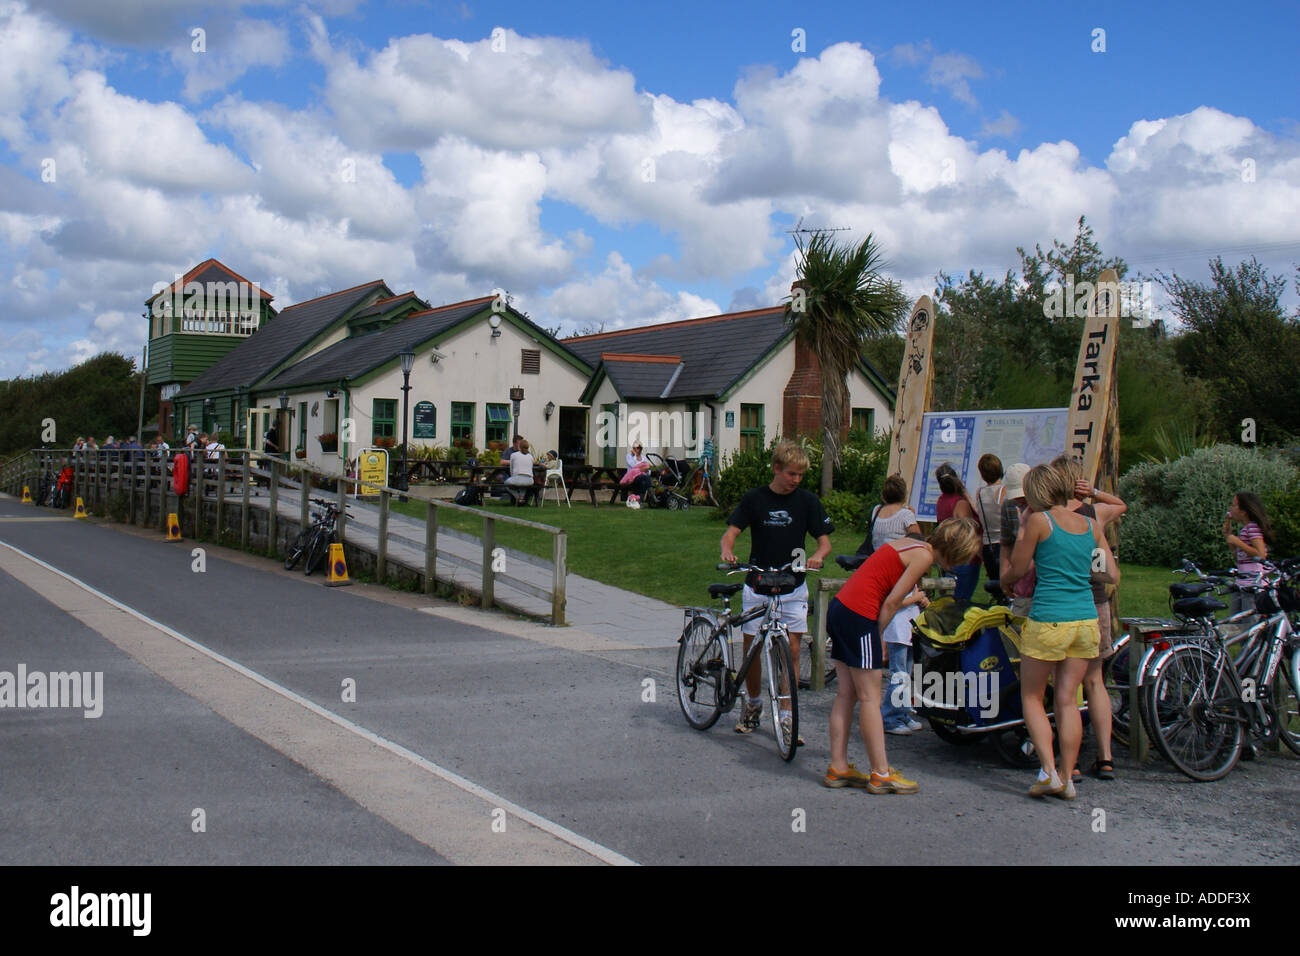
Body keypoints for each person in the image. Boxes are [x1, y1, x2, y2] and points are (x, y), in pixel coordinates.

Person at [824, 517, 981, 793]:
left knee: (846, 694)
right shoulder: (923, 556)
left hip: (841, 609)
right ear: (953, 550)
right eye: (960, 558)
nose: (957, 566)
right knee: (870, 697)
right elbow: (893, 601)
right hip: (860, 615)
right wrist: (880, 636)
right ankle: (880, 772)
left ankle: (838, 766)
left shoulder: (910, 543)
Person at [1002, 465, 1118, 800]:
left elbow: (1019, 568)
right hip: (1085, 620)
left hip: (1049, 617)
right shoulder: (1092, 525)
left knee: (1032, 697)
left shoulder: (1039, 521)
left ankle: (1049, 770)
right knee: (1068, 700)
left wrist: (1008, 581)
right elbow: (1111, 574)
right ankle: (1068, 777)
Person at [720, 440, 833, 743]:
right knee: (752, 648)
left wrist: (819, 555)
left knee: (792, 650)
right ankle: (753, 703)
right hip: (758, 584)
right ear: (777, 468)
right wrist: (728, 552)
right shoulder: (755, 499)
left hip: (792, 585)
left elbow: (824, 541)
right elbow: (730, 534)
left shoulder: (807, 502)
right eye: (791, 474)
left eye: (800, 476)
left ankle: (787, 714)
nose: (796, 481)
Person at [1051, 455, 1128, 781]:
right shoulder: (1094, 514)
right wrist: (1093, 492)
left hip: (1061, 605)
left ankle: (1070, 760)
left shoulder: (1047, 517)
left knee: (1064, 687)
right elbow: (1121, 505)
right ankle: (1106, 756)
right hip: (1096, 603)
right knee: (1095, 681)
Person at [858, 475, 924, 735]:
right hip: (900, 574)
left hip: (880, 572)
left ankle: (902, 711)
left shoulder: (877, 512)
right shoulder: (906, 516)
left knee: (904, 662)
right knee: (901, 663)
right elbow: (919, 538)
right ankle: (891, 715)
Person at [935, 463, 981, 601]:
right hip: (964, 557)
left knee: (950, 600)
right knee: (961, 601)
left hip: (949, 555)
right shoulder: (961, 503)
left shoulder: (941, 500)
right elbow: (968, 532)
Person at [1224, 492, 1272, 615]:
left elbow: (1260, 555)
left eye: (1234, 505)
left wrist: (1237, 542)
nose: (1230, 508)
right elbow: (1238, 556)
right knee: (1236, 619)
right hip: (1242, 581)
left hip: (1253, 582)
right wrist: (1229, 538)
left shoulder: (1252, 527)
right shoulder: (1246, 529)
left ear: (1244, 511)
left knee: (1249, 621)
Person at [999, 463, 1033, 617]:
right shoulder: (1008, 506)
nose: (1020, 501)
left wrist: (1008, 577)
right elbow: (1006, 543)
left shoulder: (1044, 509)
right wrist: (1004, 574)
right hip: (1021, 581)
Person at [974, 454, 1005, 590]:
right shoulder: (1004, 491)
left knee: (996, 588)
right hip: (1004, 543)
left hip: (988, 545)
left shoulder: (980, 493)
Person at [505, 439, 537, 505]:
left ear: (519, 446)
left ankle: (518, 497)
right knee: (523, 485)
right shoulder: (530, 456)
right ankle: (522, 497)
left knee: (506, 483)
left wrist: (513, 476)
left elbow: (511, 468)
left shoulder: (514, 455)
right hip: (529, 480)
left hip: (517, 478)